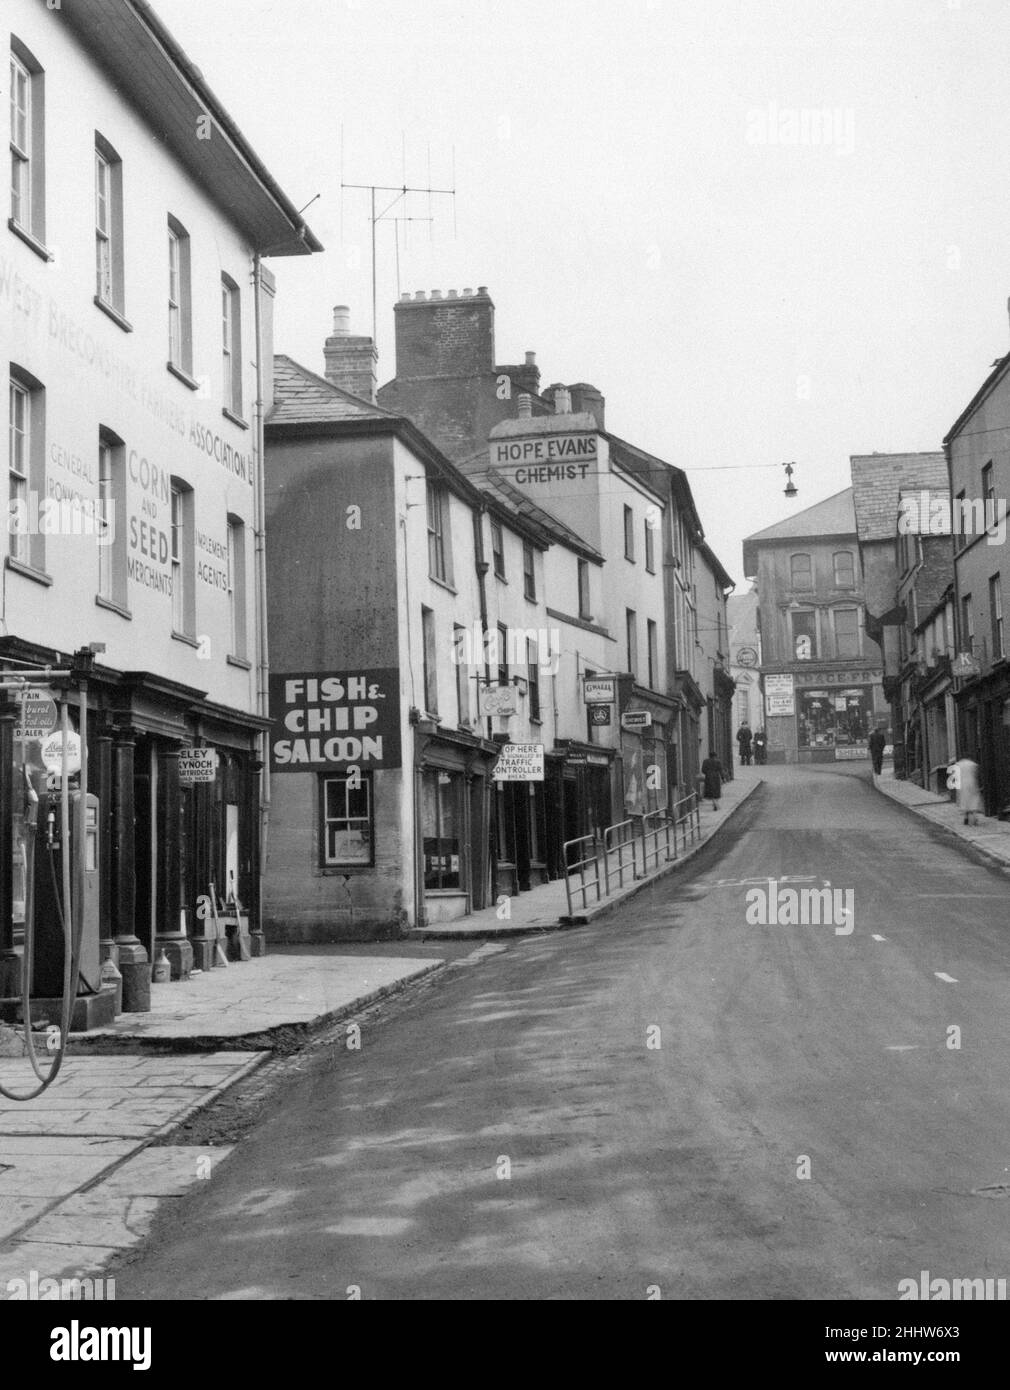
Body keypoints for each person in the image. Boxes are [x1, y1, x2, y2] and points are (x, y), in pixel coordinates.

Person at [951, 755, 983, 826]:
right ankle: (974, 818)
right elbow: (977, 775)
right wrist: (979, 785)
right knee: (973, 799)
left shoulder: (958, 764)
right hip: (971, 782)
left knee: (964, 800)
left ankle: (966, 817)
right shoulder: (973, 764)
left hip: (962, 783)